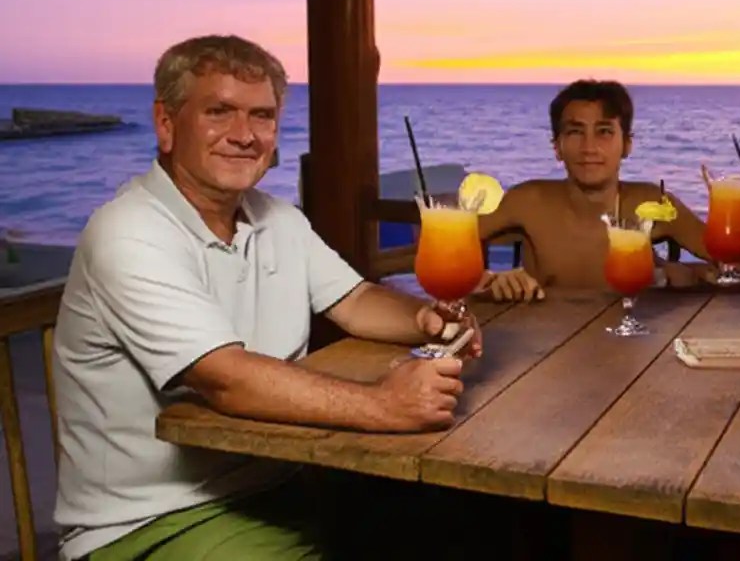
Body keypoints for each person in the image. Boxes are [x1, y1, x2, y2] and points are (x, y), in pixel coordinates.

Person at [52, 35, 481, 560]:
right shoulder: (128, 231)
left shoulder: (277, 217)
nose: (244, 135)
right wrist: (385, 404)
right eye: (219, 111)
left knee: (469, 521)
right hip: (154, 520)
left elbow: (356, 298)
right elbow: (226, 380)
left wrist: (425, 318)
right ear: (166, 124)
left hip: (282, 482)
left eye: (262, 116)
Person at [476, 79, 735, 300]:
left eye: (604, 132)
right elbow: (444, 253)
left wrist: (687, 275)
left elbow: (739, 267)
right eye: (576, 132)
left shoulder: (652, 204)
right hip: (545, 348)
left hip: (634, 348)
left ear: (627, 145)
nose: (589, 147)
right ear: (557, 146)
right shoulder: (528, 201)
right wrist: (491, 280)